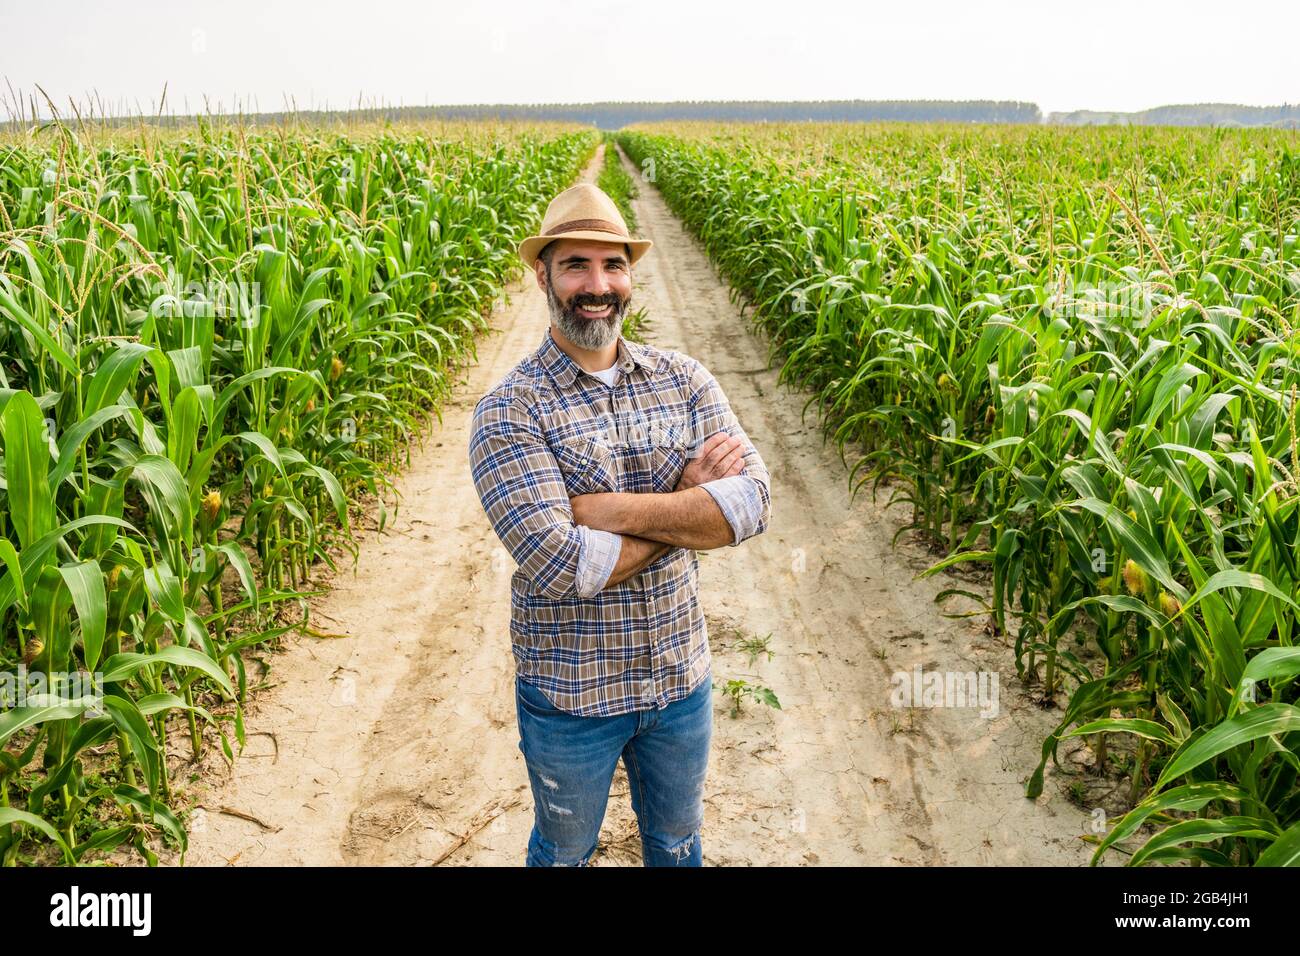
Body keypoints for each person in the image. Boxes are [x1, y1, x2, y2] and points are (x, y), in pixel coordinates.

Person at [468, 181, 772, 866]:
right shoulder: (510, 411)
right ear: (542, 273)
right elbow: (564, 565)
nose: (597, 284)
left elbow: (753, 502)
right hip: (572, 694)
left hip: (677, 680)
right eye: (576, 264)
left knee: (676, 840)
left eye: (613, 265)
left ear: (630, 277)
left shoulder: (684, 380)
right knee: (566, 848)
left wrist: (611, 512)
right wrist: (688, 505)